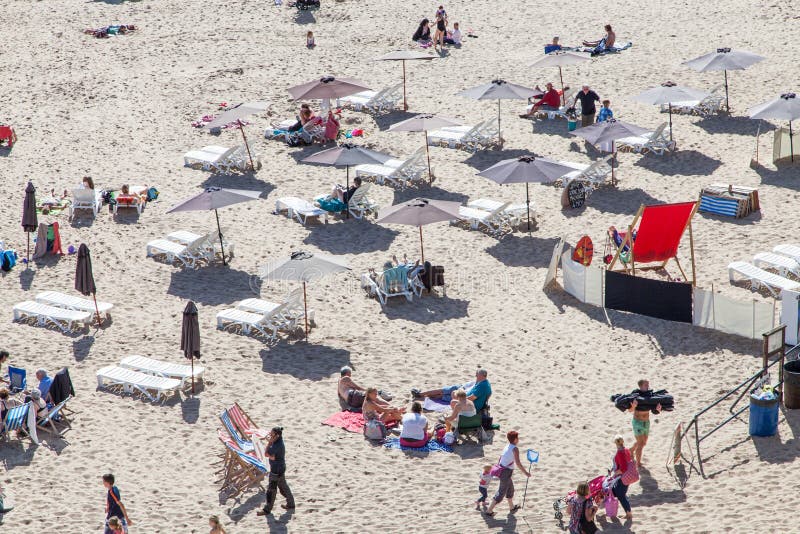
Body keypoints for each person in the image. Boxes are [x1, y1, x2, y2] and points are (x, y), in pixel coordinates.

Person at [485, 431, 531, 516]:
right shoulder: (515, 449)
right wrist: (526, 473)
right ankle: (489, 510)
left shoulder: (507, 446)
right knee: (501, 492)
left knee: (510, 489)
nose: (518, 439)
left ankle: (511, 507)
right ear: (515, 439)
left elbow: (501, 458)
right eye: (518, 438)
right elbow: (518, 463)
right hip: (505, 472)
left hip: (503, 470)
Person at [412, 368, 492, 411]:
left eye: (477, 374)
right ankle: (421, 394)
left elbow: (471, 398)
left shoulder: (482, 386)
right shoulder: (484, 382)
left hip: (464, 399)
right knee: (447, 390)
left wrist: (459, 399)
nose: (476, 376)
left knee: (442, 395)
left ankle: (422, 395)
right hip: (464, 392)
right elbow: (489, 394)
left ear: (482, 376)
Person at [257, 427, 295, 516]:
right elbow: (270, 456)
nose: (270, 435)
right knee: (283, 486)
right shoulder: (278, 442)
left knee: (271, 490)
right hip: (280, 468)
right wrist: (271, 446)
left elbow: (266, 453)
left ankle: (267, 510)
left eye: (272, 434)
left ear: (277, 435)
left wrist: (269, 443)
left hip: (276, 470)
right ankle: (291, 504)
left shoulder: (276, 445)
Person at [629, 379, 661, 466]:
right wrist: (633, 406)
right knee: (640, 444)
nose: (648, 386)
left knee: (643, 442)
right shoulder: (635, 394)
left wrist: (658, 410)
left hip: (646, 422)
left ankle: (631, 450)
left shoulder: (649, 395)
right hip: (637, 422)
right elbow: (630, 410)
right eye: (646, 385)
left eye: (648, 384)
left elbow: (654, 410)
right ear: (641, 386)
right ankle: (638, 464)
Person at [611, 435, 634, 520]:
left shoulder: (620, 453)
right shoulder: (626, 450)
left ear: (616, 443)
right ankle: (628, 513)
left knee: (621, 495)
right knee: (617, 492)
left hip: (622, 477)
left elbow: (623, 468)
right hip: (628, 476)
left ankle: (629, 514)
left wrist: (615, 473)